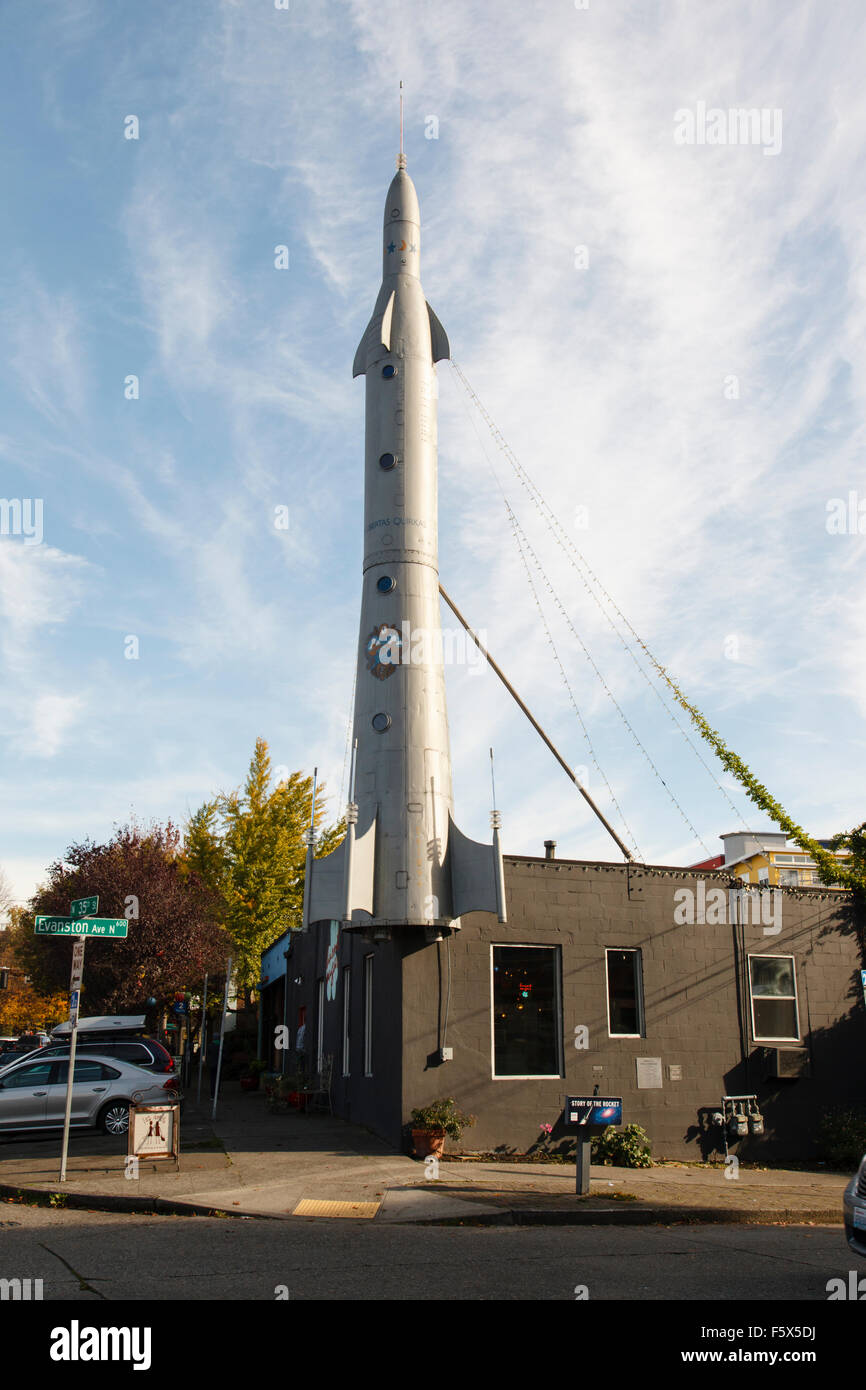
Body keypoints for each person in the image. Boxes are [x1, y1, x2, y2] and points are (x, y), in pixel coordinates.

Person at [206, 1033, 222, 1099]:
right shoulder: (220, 1046)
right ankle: (216, 1093)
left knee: (212, 1080)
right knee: (218, 1080)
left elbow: (208, 1056)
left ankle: (213, 1095)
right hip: (218, 1064)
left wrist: (208, 1063)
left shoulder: (210, 1046)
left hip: (212, 1065)